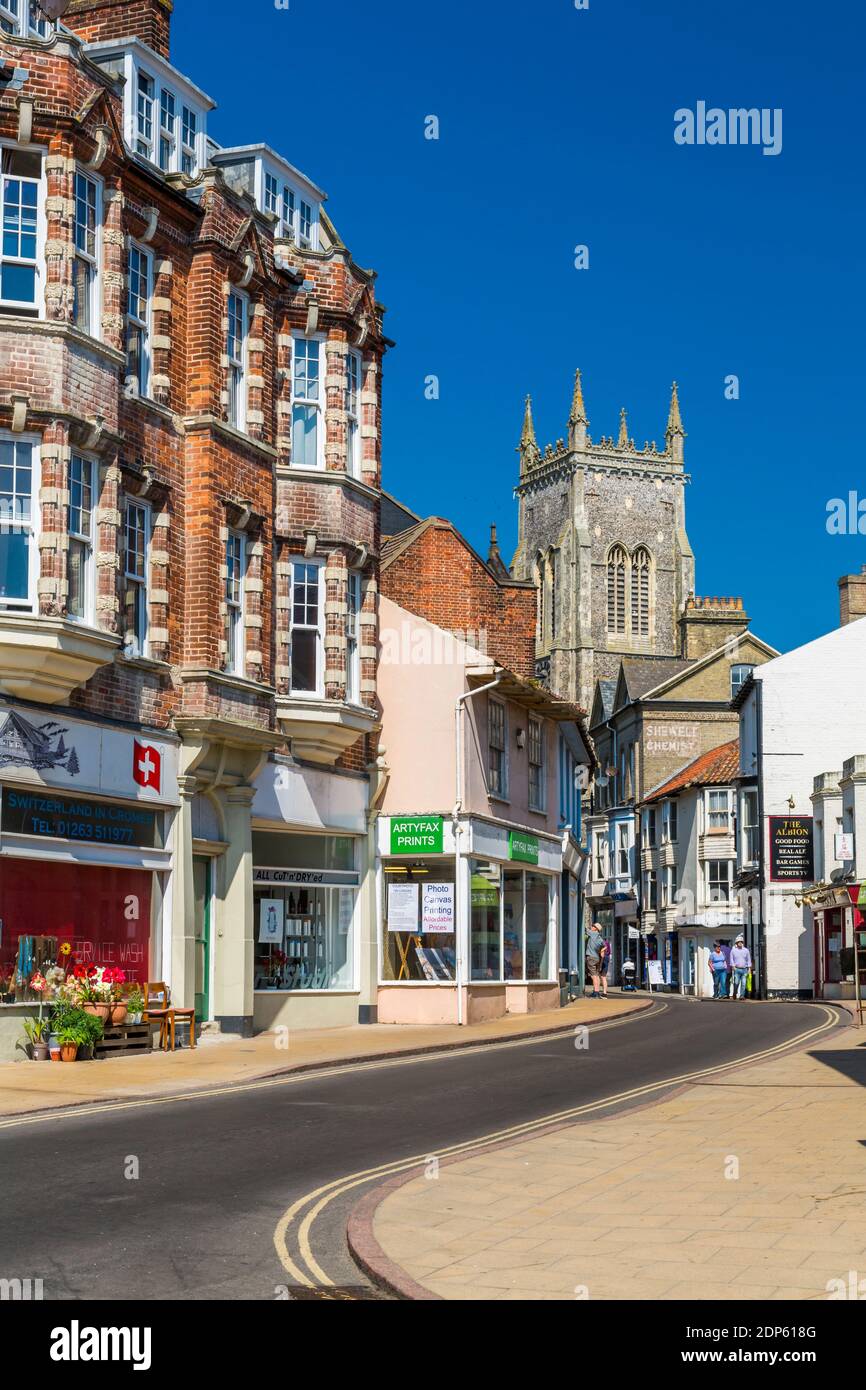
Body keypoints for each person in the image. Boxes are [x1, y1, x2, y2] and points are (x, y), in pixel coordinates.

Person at [585, 922, 604, 998]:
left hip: (591, 957)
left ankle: (596, 992)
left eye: (593, 926)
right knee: (596, 975)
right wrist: (601, 952)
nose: (591, 927)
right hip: (597, 958)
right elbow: (604, 946)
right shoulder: (600, 938)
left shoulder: (593, 934)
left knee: (593, 976)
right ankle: (597, 991)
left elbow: (585, 929)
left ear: (596, 928)